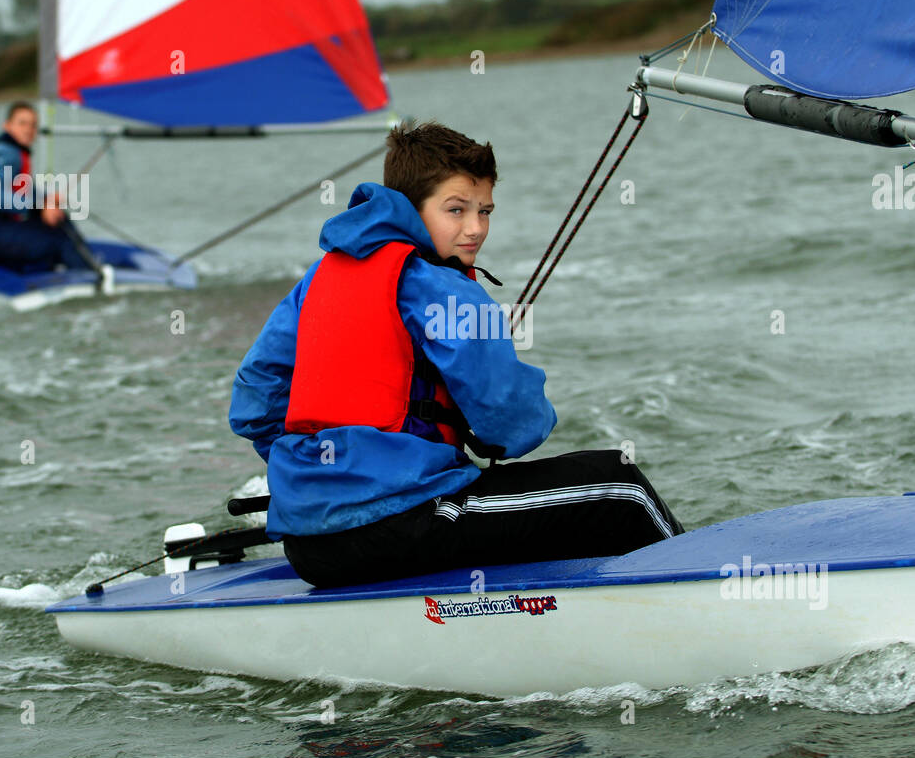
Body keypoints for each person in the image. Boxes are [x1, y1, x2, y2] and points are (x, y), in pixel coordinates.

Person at [229, 121, 684, 588]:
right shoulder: (444, 288)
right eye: (456, 210)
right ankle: (703, 599)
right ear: (410, 208)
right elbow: (515, 428)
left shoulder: (318, 278)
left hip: (311, 545)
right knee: (619, 484)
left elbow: (252, 405)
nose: (475, 229)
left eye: (485, 210)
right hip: (406, 524)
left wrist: (327, 478)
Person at [0, 100, 110, 286]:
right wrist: (42, 205)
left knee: (57, 222)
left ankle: (80, 269)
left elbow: (24, 193)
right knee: (58, 240)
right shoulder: (4, 154)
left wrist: (48, 200)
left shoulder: (9, 152)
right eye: (22, 123)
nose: (28, 129)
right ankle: (91, 279)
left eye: (33, 125)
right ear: (7, 126)